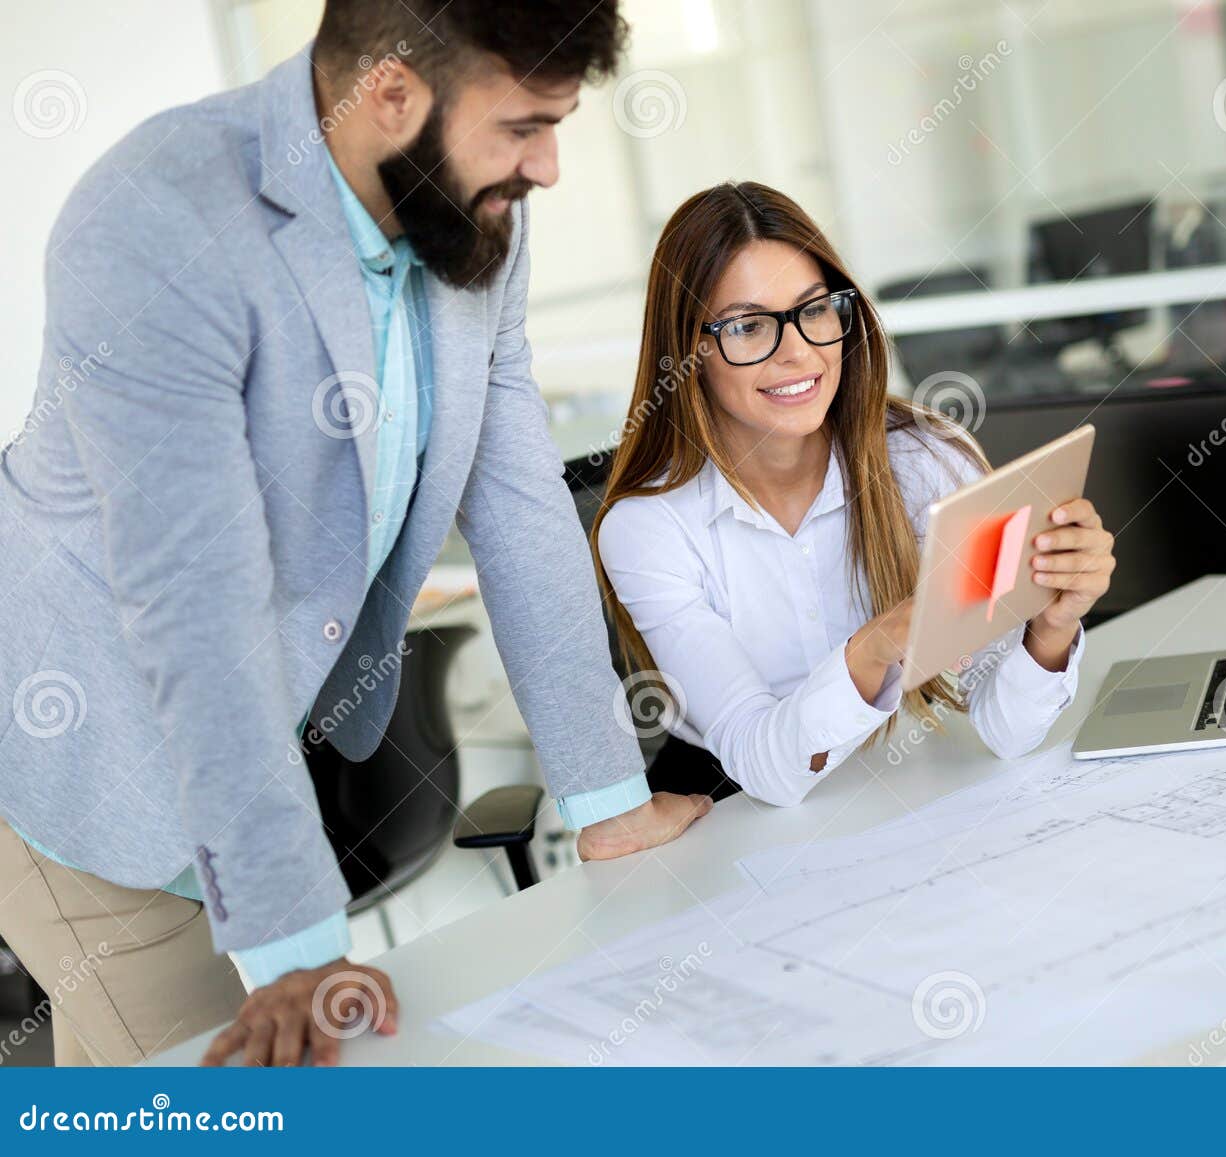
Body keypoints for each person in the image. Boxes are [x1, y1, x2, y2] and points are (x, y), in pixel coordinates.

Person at [0, 0, 708, 1068]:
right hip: (88, 743)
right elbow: (193, 598)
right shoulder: (154, 221)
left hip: (257, 731)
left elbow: (516, 497)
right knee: (193, 1099)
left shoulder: (468, 213)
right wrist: (296, 948)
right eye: (522, 127)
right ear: (390, 95)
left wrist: (606, 796)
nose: (550, 166)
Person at [592, 182, 1116, 807]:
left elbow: (1007, 732)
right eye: (748, 326)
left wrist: (1051, 625)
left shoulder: (924, 460)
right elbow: (768, 771)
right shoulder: (648, 526)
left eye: (814, 310)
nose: (796, 352)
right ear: (691, 350)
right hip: (731, 807)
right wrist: (878, 645)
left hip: (896, 781)